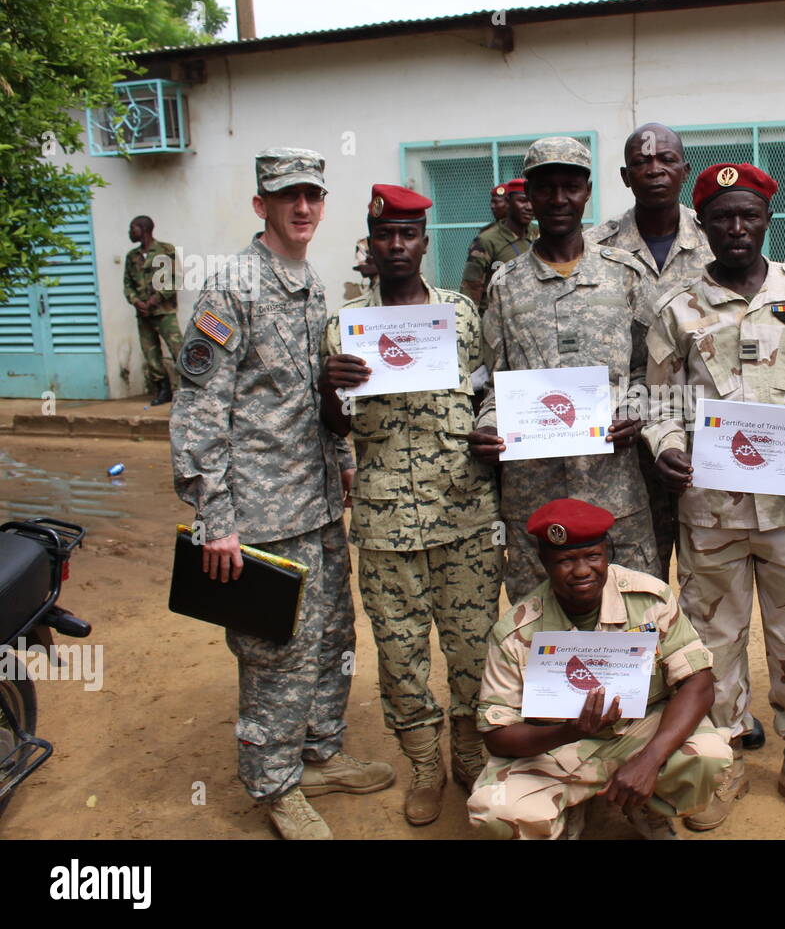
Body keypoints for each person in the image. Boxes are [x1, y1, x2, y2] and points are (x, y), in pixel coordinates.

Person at [171, 148, 393, 841]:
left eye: (313, 195)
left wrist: (344, 458)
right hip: (262, 515)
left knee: (331, 635)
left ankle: (318, 751)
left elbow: (316, 393)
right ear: (260, 203)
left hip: (320, 500)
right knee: (276, 650)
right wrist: (215, 519)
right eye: (287, 195)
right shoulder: (232, 286)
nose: (303, 207)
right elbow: (200, 407)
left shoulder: (313, 283)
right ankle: (274, 784)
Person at [643, 162, 785, 831]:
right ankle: (729, 754)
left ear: (768, 219)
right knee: (715, 639)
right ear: (702, 225)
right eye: (721, 217)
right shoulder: (676, 309)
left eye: (748, 216)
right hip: (711, 510)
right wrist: (666, 447)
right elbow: (656, 402)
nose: (736, 227)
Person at [320, 184, 502, 826]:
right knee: (400, 656)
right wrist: (328, 389)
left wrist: (491, 429)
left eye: (408, 234)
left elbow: (485, 393)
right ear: (369, 243)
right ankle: (425, 764)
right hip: (385, 520)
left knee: (474, 653)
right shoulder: (343, 327)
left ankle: (470, 754)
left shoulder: (459, 314)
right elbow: (333, 428)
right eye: (384, 235)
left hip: (466, 516)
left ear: (425, 241)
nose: (396, 245)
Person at [588, 122, 766, 752]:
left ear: (683, 168)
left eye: (667, 157)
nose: (655, 166)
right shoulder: (596, 246)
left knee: (700, 586)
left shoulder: (721, 227)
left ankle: (705, 702)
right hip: (617, 442)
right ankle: (639, 705)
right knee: (634, 578)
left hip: (709, 456)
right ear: (626, 174)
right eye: (642, 159)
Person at [466, 498, 730, 840]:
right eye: (564, 560)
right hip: (556, 746)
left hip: (639, 731)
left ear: (607, 553)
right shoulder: (517, 631)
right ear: (543, 562)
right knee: (497, 814)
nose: (581, 570)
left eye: (592, 556)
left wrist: (649, 761)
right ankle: (566, 805)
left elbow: (700, 683)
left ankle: (648, 804)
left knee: (708, 757)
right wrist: (569, 731)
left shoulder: (649, 599)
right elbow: (497, 737)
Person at [469, 137, 659, 603]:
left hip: (613, 486)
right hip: (536, 490)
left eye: (570, 187)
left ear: (587, 191)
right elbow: (495, 381)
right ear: (528, 195)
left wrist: (634, 412)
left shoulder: (626, 274)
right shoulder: (506, 285)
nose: (558, 199)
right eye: (546, 188)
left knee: (632, 614)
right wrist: (488, 427)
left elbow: (648, 371)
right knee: (539, 624)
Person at [123, 215, 181, 406]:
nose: (130, 232)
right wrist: (136, 302)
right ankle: (163, 390)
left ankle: (189, 389)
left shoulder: (166, 250)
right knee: (150, 353)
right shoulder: (132, 257)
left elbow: (176, 279)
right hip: (143, 313)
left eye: (133, 228)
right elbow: (127, 284)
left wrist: (156, 299)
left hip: (164, 311)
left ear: (144, 229)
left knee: (178, 349)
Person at [459, 178, 537, 307]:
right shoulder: (486, 241)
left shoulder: (539, 235)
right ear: (508, 202)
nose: (529, 207)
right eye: (522, 201)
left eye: (532, 201)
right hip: (497, 318)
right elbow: (471, 287)